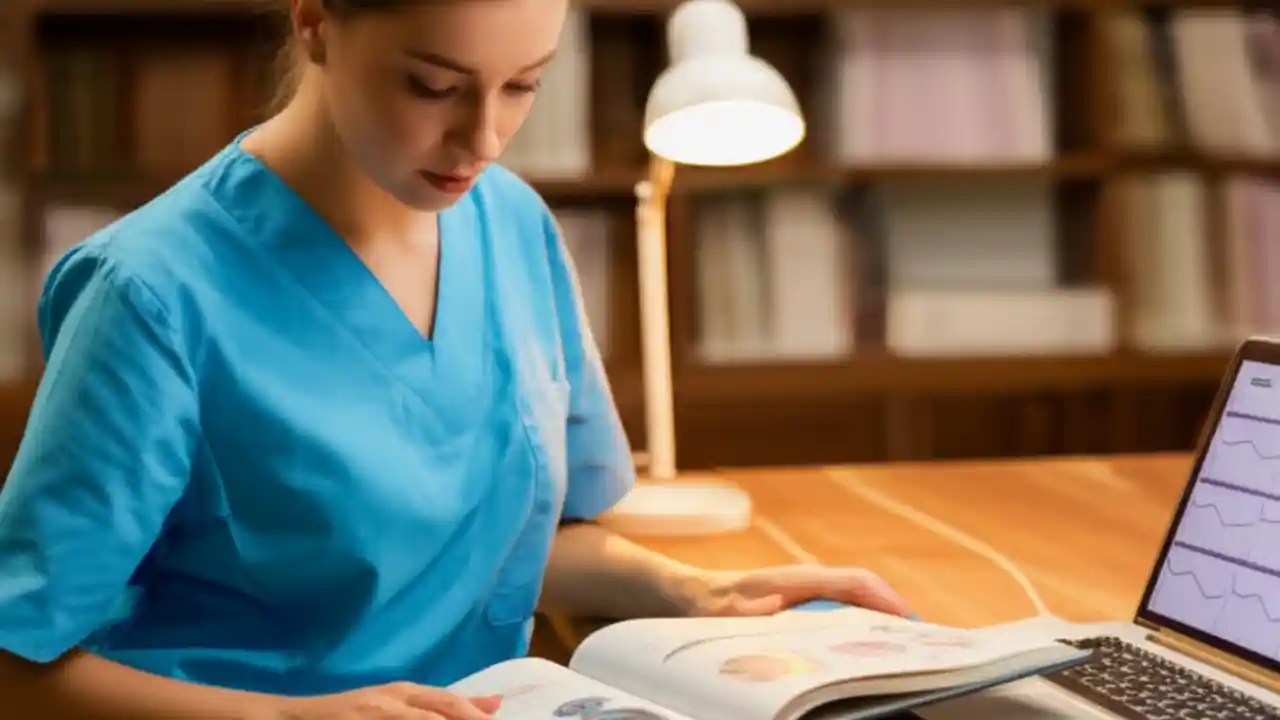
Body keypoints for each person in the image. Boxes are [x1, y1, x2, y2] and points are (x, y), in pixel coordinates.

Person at [0, 0, 915, 717]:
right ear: (315, 19)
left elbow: (520, 540)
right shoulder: (151, 295)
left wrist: (699, 591)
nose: (483, 139)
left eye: (523, 86)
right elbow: (18, 667)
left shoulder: (510, 223)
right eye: (434, 86)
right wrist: (285, 717)